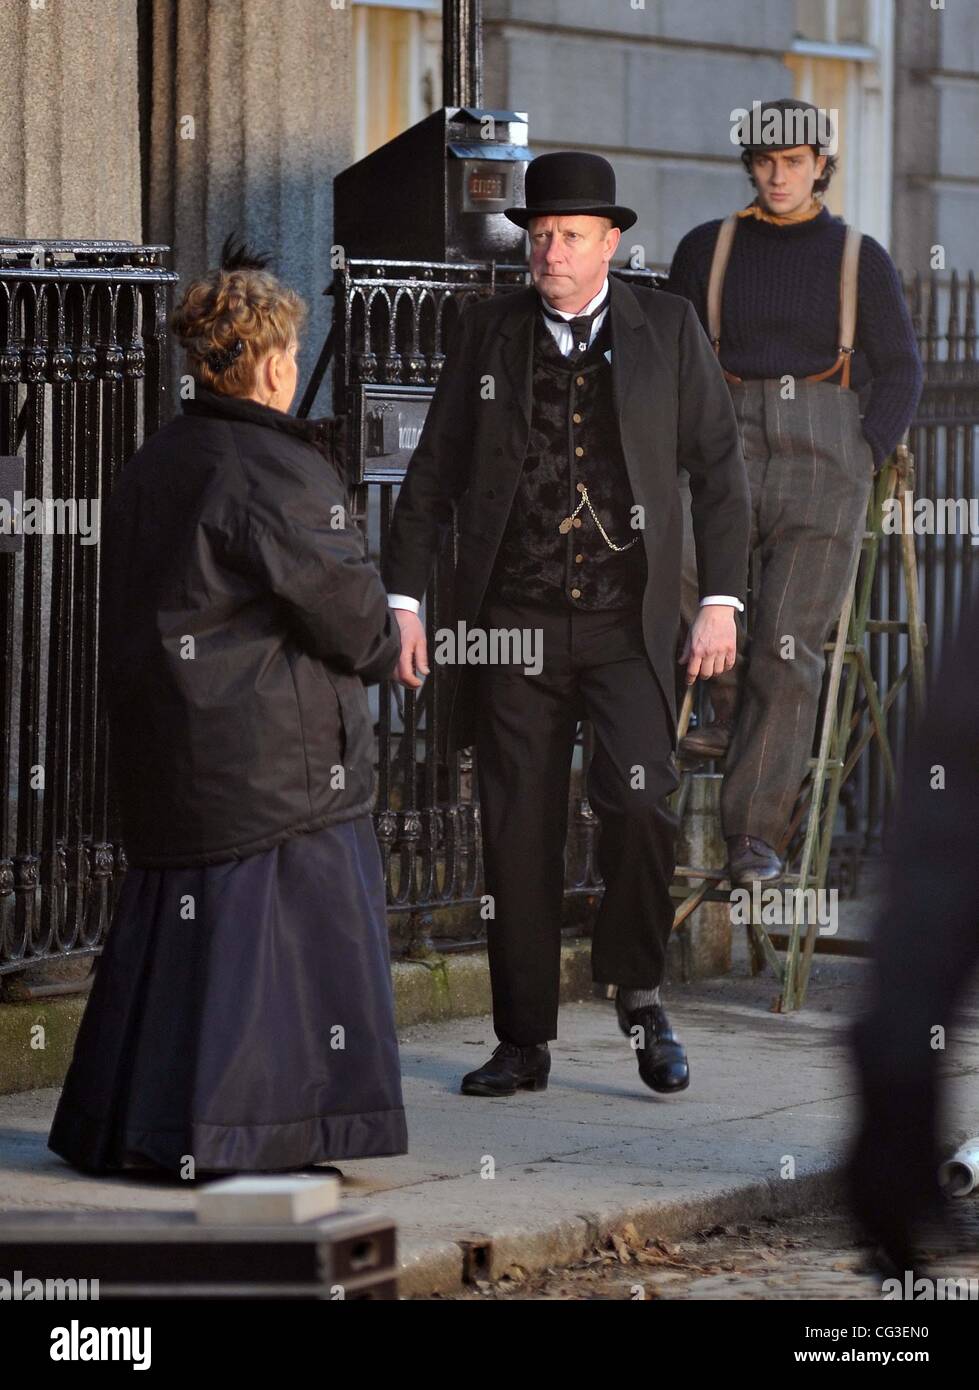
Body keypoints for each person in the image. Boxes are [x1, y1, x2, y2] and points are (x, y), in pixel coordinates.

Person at [383, 152, 750, 1098]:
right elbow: (431, 477)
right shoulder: (486, 331)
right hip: (512, 622)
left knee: (638, 803)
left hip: (628, 622)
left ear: (610, 243)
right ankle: (522, 1039)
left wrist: (720, 599)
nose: (549, 250)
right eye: (540, 234)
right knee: (517, 830)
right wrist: (406, 602)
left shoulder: (665, 328)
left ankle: (637, 993)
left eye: (570, 235)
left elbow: (718, 473)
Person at [48, 236, 407, 1175]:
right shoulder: (272, 468)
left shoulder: (158, 457)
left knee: (178, 963)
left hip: (181, 755)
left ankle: (136, 1132)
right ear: (272, 362)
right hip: (274, 770)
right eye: (288, 351)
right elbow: (354, 621)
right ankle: (249, 1138)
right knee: (275, 966)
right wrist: (384, 636)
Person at [666, 99, 923, 888]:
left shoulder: (858, 256)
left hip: (825, 446)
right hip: (723, 432)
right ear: (749, 163)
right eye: (766, 161)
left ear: (821, 164)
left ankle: (753, 835)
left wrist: (862, 449)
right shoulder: (707, 249)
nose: (778, 175)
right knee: (674, 561)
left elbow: (902, 368)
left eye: (795, 160)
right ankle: (722, 695)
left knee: (791, 647)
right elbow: (672, 357)